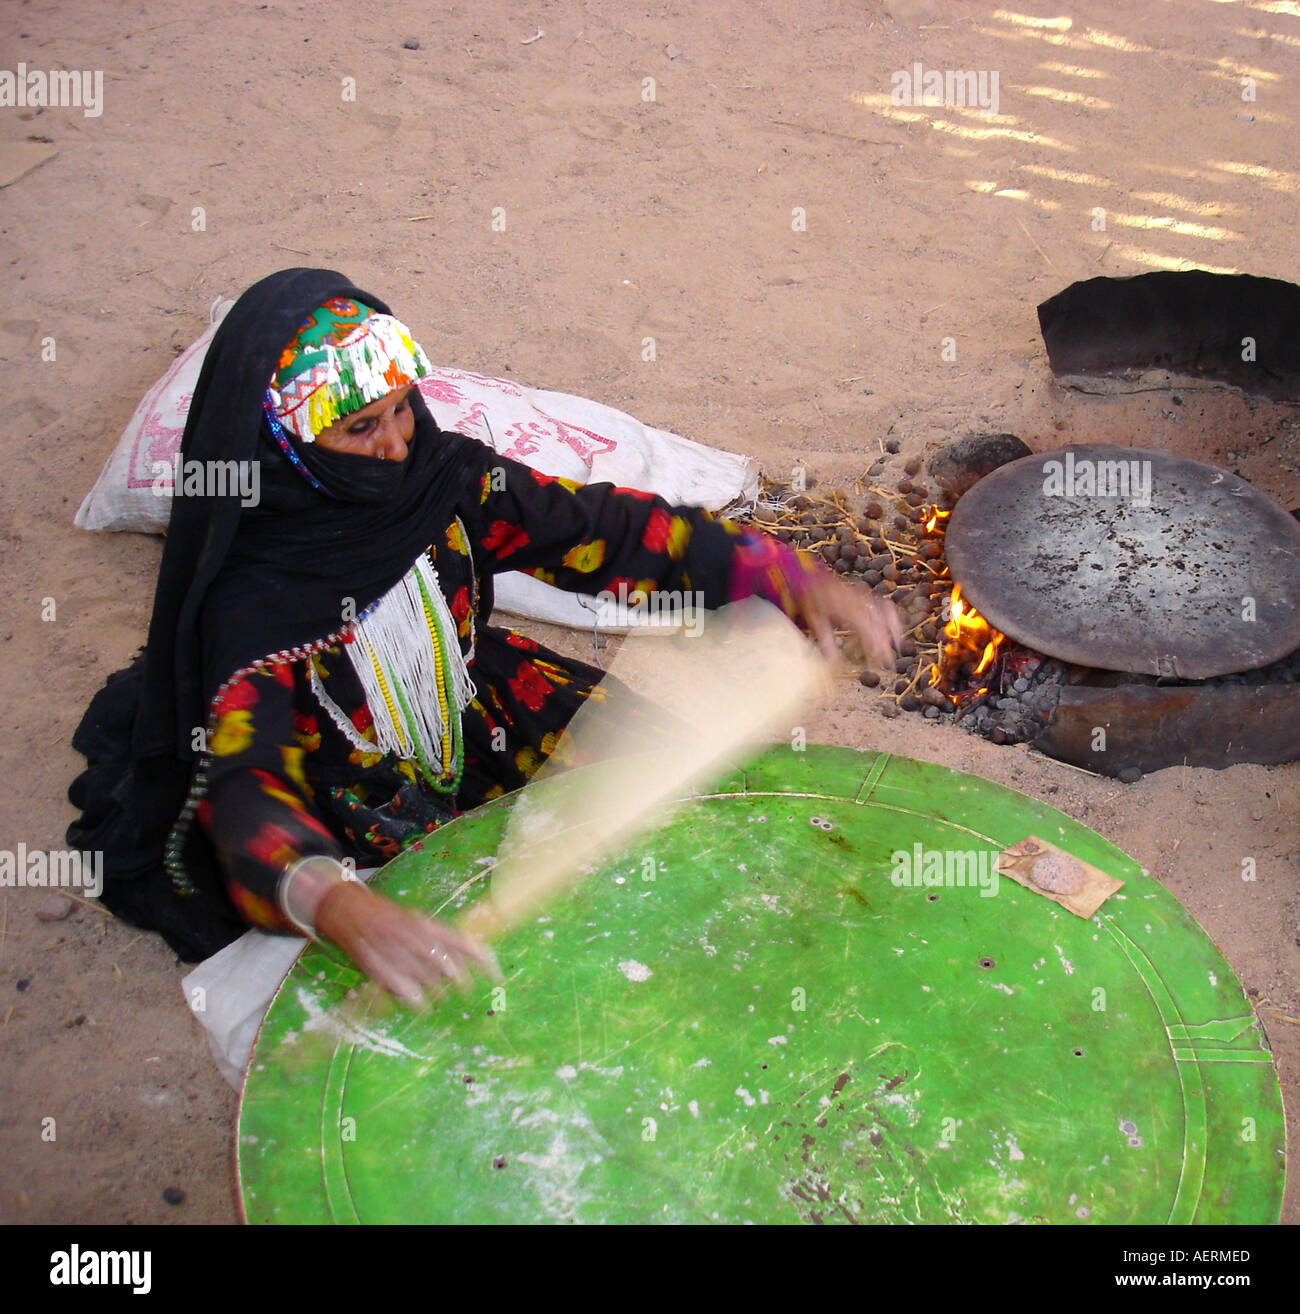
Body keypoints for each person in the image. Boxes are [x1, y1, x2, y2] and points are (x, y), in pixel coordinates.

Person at [67, 267, 900, 1004]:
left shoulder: (444, 478)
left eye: (402, 408)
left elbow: (600, 532)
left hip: (468, 700)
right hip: (342, 781)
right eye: (359, 427)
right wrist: (335, 902)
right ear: (279, 442)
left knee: (678, 801)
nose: (396, 444)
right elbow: (250, 786)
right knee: (496, 959)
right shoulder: (252, 601)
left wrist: (782, 578)